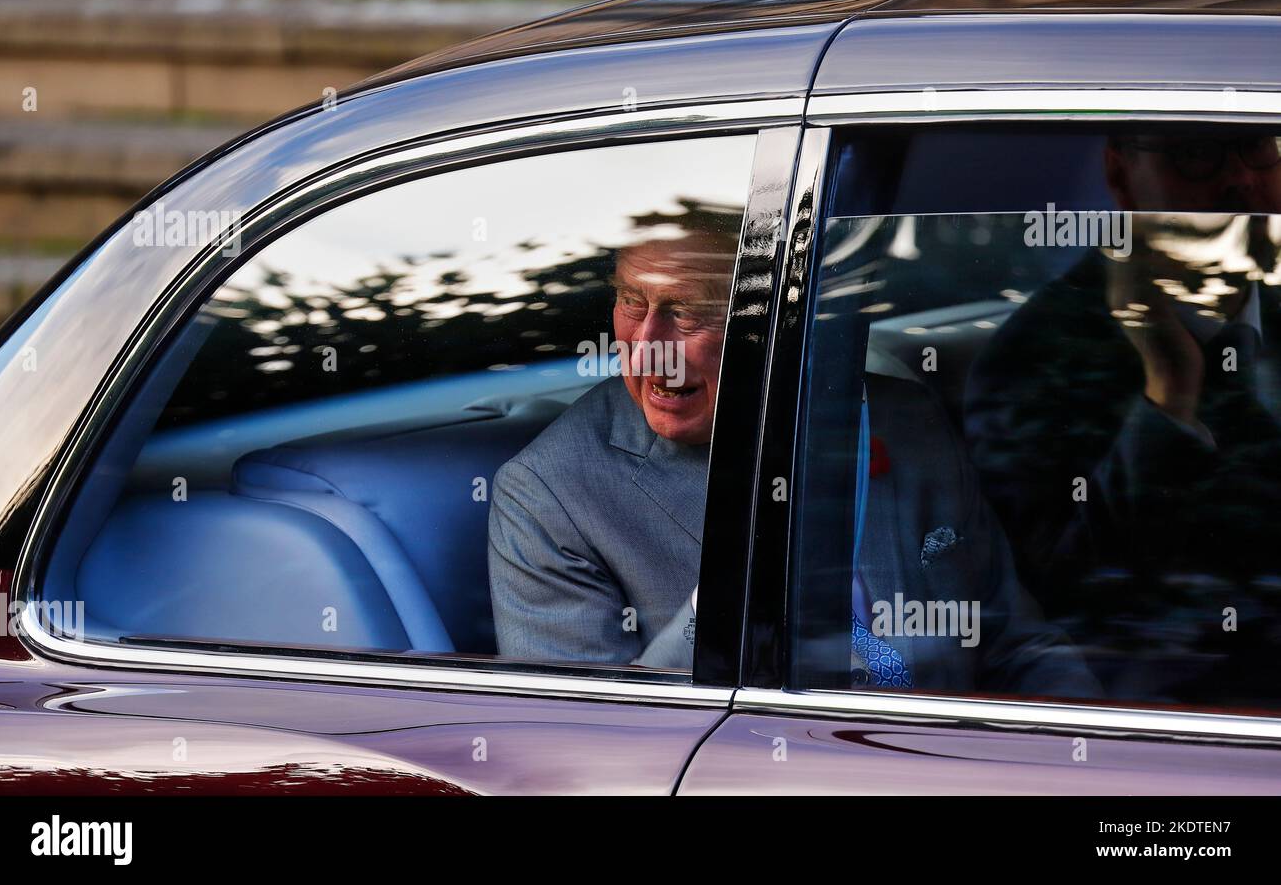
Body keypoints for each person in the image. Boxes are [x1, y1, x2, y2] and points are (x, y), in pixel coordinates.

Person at [489, 226, 1097, 696]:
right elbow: (595, 741)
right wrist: (733, 585)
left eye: (691, 310)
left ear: (779, 319)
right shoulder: (550, 494)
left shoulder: (905, 422)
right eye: (631, 301)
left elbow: (1014, 641)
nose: (647, 346)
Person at [963, 128, 1281, 702]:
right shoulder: (1034, 362)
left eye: (1258, 146)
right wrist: (1169, 395)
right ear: (1120, 175)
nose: (1240, 178)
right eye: (1196, 151)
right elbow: (1066, 605)